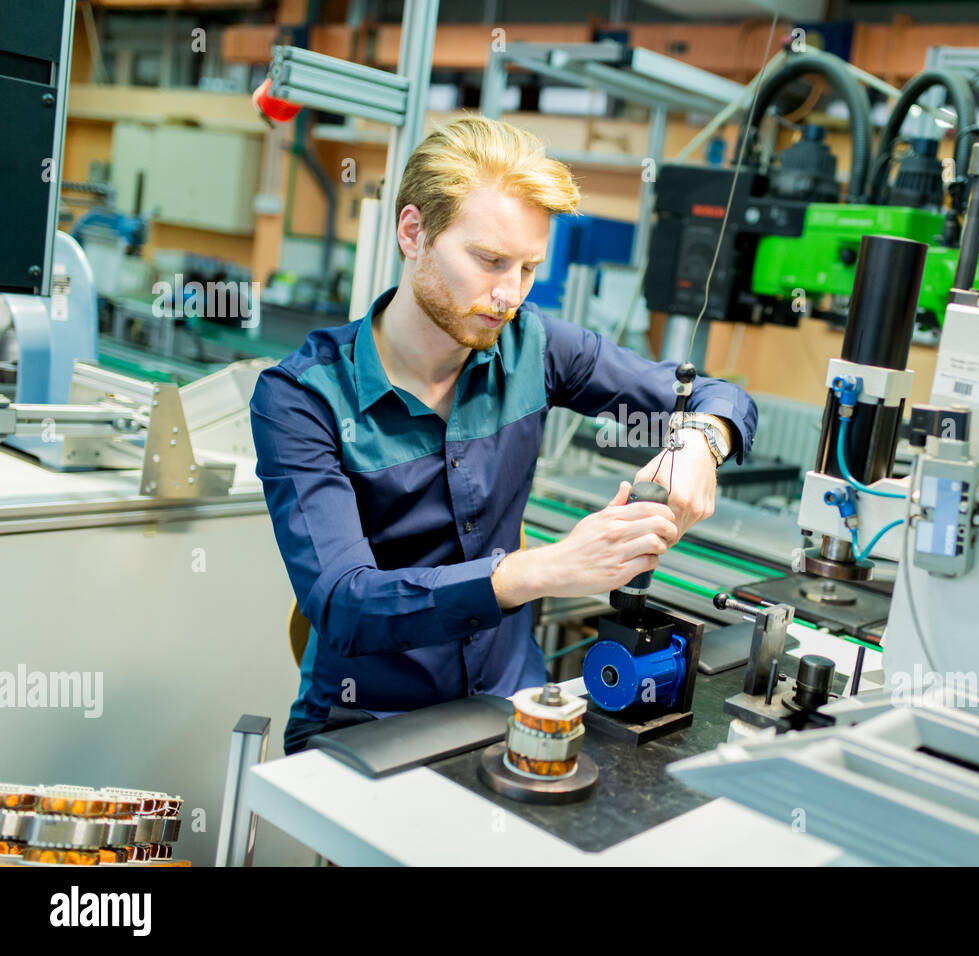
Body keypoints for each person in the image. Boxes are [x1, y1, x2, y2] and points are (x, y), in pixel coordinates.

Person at [249, 116, 758, 755]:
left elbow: (713, 394)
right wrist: (543, 570)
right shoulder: (301, 398)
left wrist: (702, 442)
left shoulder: (534, 346)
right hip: (369, 722)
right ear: (414, 232)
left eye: (527, 268)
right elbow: (345, 603)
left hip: (511, 706)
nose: (509, 295)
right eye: (489, 261)